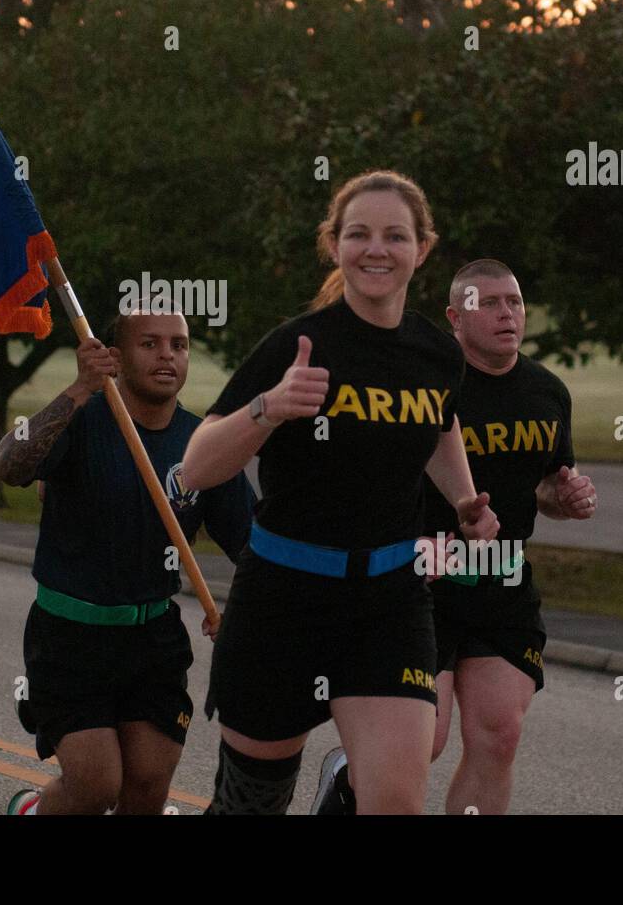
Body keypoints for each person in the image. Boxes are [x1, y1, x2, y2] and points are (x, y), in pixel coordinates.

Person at [181, 170, 499, 816]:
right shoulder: (299, 344)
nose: (375, 248)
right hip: (283, 597)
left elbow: (440, 424)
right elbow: (196, 466)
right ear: (334, 244)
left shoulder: (438, 354)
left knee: (395, 805)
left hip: (389, 601)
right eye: (358, 233)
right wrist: (268, 408)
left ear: (423, 248)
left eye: (394, 235)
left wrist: (465, 499)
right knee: (251, 806)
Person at [311, 258, 598, 815]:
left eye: (513, 301)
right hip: (423, 586)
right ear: (454, 317)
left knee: (499, 737)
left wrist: (563, 500)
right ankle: (346, 780)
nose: (505, 313)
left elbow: (543, 486)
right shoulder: (427, 388)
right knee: (427, 740)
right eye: (487, 303)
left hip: (503, 584)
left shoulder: (547, 392)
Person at [0, 310, 253, 815]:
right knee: (96, 787)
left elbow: (251, 547)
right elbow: (8, 465)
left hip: (154, 639)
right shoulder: (81, 420)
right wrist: (79, 389)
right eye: (150, 344)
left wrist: (247, 612)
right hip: (68, 637)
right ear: (116, 356)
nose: (167, 355)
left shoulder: (202, 444)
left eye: (178, 345)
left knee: (146, 790)